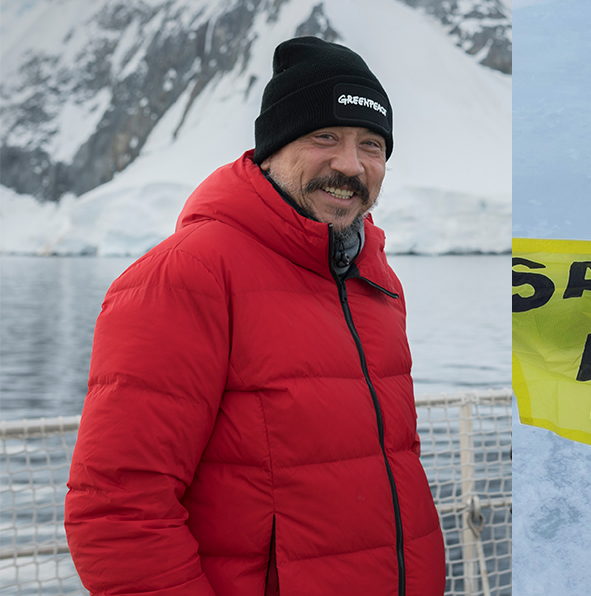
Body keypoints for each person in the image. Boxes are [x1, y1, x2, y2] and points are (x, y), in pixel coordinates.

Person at [65, 37, 445, 595]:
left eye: (371, 144)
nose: (350, 164)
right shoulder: (188, 274)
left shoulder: (374, 281)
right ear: (272, 149)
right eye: (325, 137)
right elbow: (117, 509)